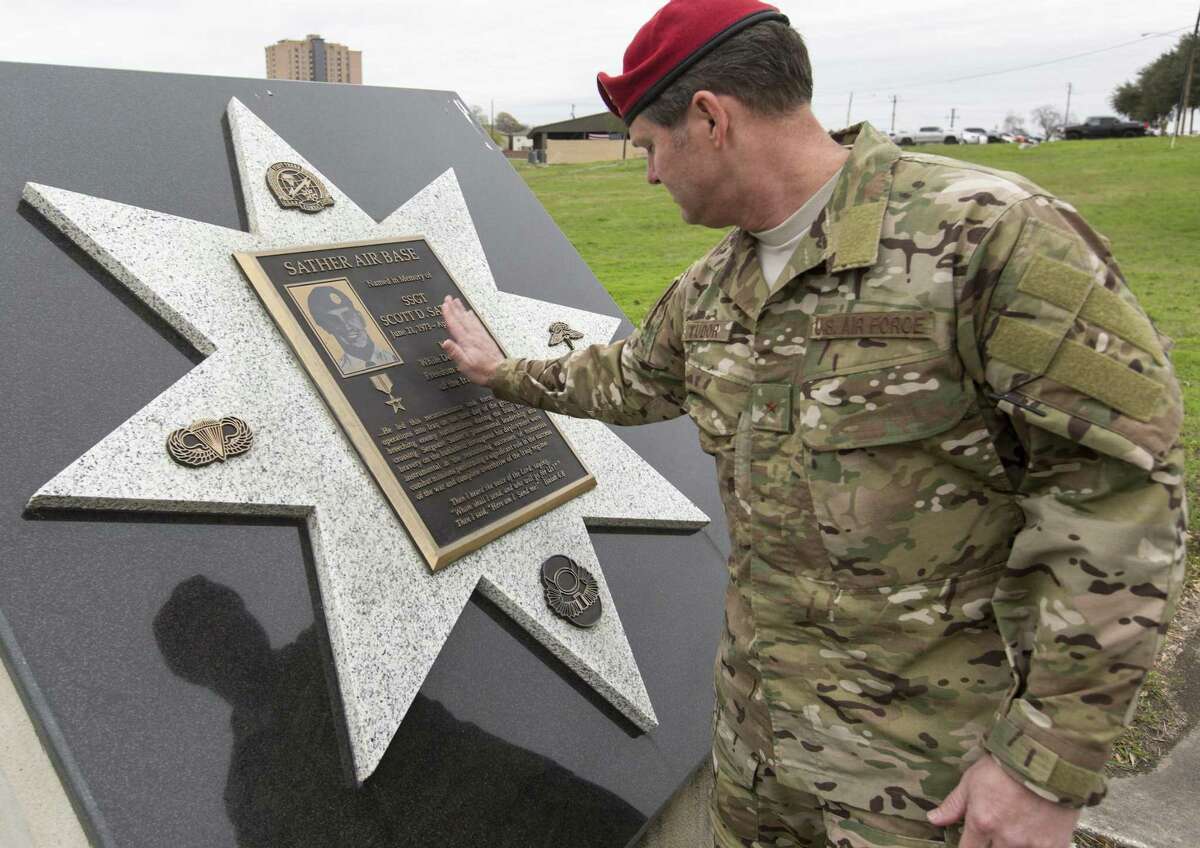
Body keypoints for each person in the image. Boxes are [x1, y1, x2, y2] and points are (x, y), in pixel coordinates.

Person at [441, 2, 1186, 846]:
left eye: (650, 147)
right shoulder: (714, 288)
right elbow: (631, 379)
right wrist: (498, 373)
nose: (649, 175)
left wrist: (1044, 768)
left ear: (709, 119)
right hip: (760, 752)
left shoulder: (989, 239)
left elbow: (1121, 501)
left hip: (927, 776)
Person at [306, 285, 399, 375]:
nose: (347, 327)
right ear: (326, 328)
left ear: (360, 317)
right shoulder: (341, 371)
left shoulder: (393, 355)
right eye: (334, 321)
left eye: (348, 316)